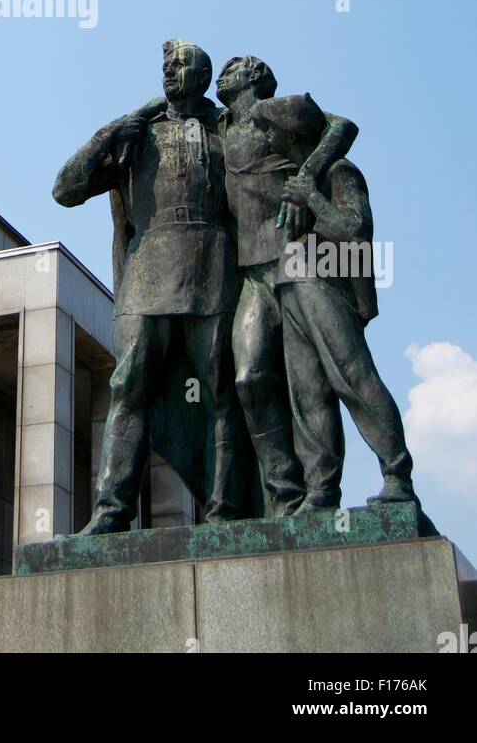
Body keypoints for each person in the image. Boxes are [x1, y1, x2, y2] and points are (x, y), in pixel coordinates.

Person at [53, 41, 251, 532]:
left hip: (214, 265)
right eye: (165, 66)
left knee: (222, 385)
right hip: (149, 268)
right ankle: (111, 510)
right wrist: (107, 133)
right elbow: (65, 189)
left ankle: (227, 509)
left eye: (181, 65)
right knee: (128, 386)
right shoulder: (136, 133)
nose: (170, 71)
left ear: (204, 76)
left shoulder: (226, 128)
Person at [259, 93, 418, 509]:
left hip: (327, 281)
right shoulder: (297, 173)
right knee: (307, 392)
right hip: (291, 283)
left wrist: (311, 197)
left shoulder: (339, 171)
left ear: (290, 131)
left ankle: (397, 473)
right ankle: (321, 490)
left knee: (354, 377)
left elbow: (354, 231)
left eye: (271, 127)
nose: (266, 135)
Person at [215, 55, 358, 514]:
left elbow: (342, 126)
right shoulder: (218, 127)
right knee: (250, 377)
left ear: (254, 77)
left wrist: (307, 174)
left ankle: (323, 491)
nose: (223, 72)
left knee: (316, 383)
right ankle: (284, 493)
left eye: (234, 66)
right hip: (253, 272)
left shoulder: (277, 115)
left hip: (296, 261)